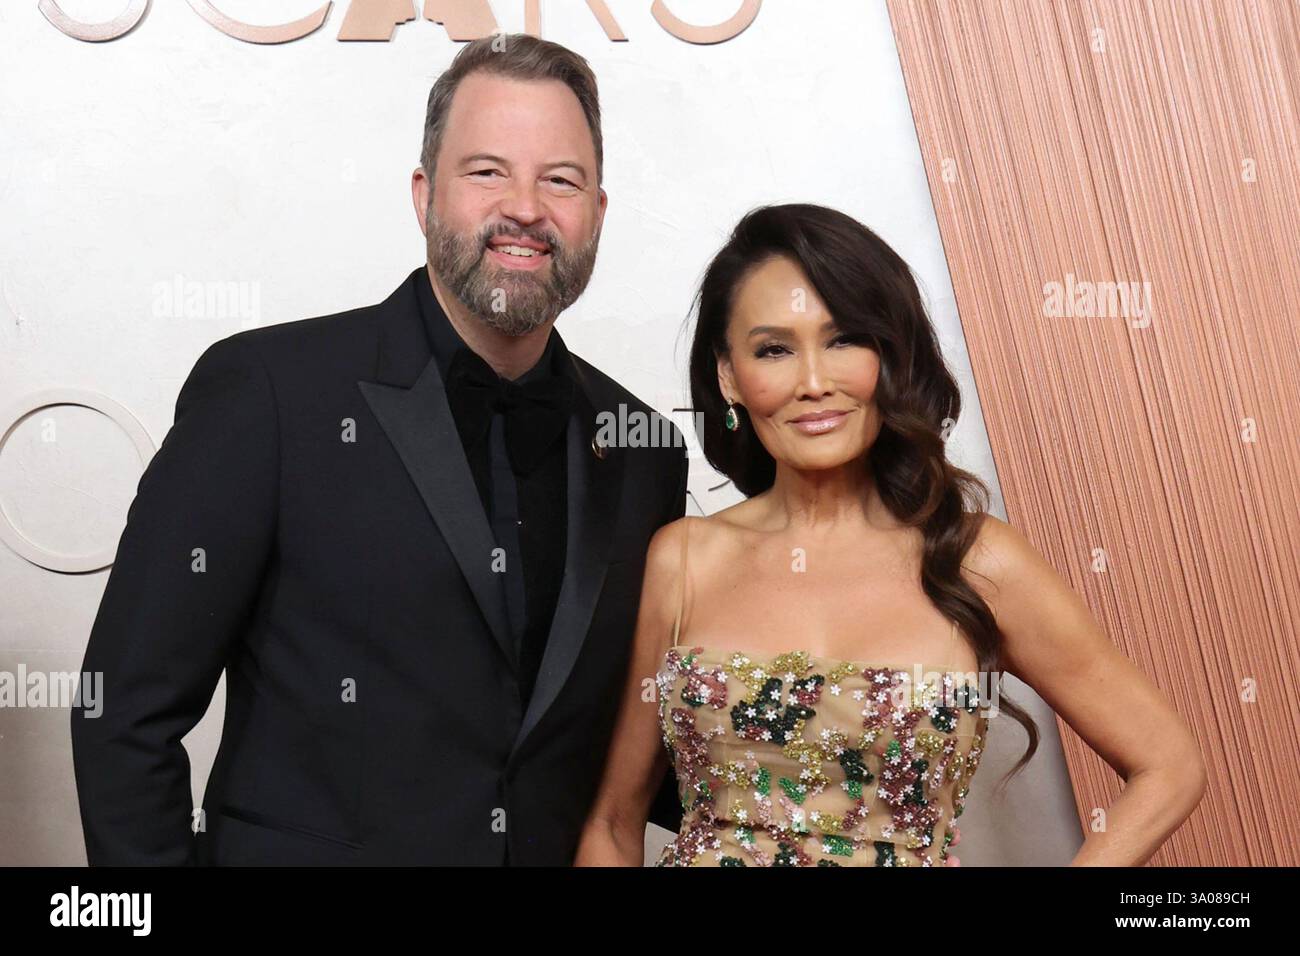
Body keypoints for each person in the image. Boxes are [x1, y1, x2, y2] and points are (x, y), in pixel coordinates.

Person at [71, 33, 686, 866]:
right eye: (487, 171)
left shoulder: (645, 448)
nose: (526, 208)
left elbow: (645, 749)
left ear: (599, 214)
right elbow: (124, 713)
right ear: (424, 194)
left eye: (561, 180)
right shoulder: (268, 395)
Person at [575, 203, 1207, 867]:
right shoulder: (683, 558)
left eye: (845, 338)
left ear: (890, 354)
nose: (815, 382)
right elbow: (613, 827)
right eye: (774, 349)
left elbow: (1169, 764)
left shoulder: (976, 559)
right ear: (730, 375)